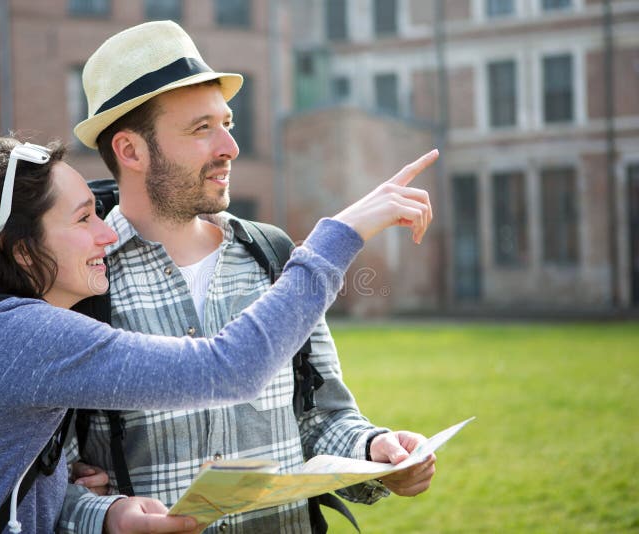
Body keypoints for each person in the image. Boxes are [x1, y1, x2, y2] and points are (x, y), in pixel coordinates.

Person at [0, 134, 435, 533]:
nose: (106, 232)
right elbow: (229, 368)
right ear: (22, 251)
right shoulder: (22, 336)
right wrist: (337, 238)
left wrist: (90, 500)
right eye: (84, 218)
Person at [60, 20, 437, 534]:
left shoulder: (273, 256)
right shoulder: (79, 284)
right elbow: (45, 486)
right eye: (201, 128)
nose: (230, 146)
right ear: (130, 151)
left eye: (228, 121)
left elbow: (322, 417)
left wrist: (375, 449)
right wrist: (103, 517)